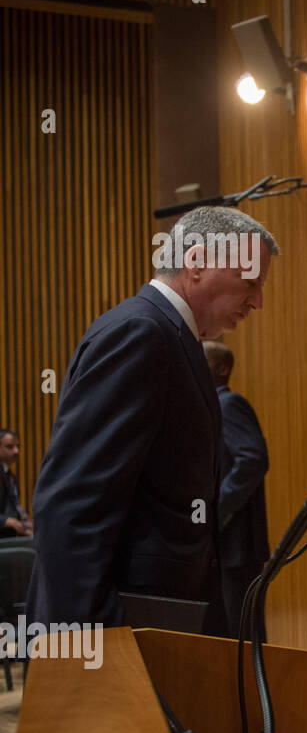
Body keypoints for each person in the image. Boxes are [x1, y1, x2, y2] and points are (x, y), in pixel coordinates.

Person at [27, 206, 278, 631]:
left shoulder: (169, 333)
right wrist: (93, 642)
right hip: (125, 622)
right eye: (250, 282)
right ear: (197, 262)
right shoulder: (142, 332)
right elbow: (71, 502)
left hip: (163, 610)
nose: (257, 301)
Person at [203, 340, 270, 637]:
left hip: (237, 546)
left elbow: (253, 458)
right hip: (226, 549)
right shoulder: (211, 406)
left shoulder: (228, 404)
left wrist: (218, 510)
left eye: (200, 358)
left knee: (243, 635)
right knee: (231, 636)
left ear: (221, 368)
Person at [0, 429, 33, 537]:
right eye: (10, 447)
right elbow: (8, 519)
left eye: (17, 446)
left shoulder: (11, 478)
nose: (16, 451)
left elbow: (15, 508)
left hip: (10, 536)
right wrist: (5, 520)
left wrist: (25, 527)